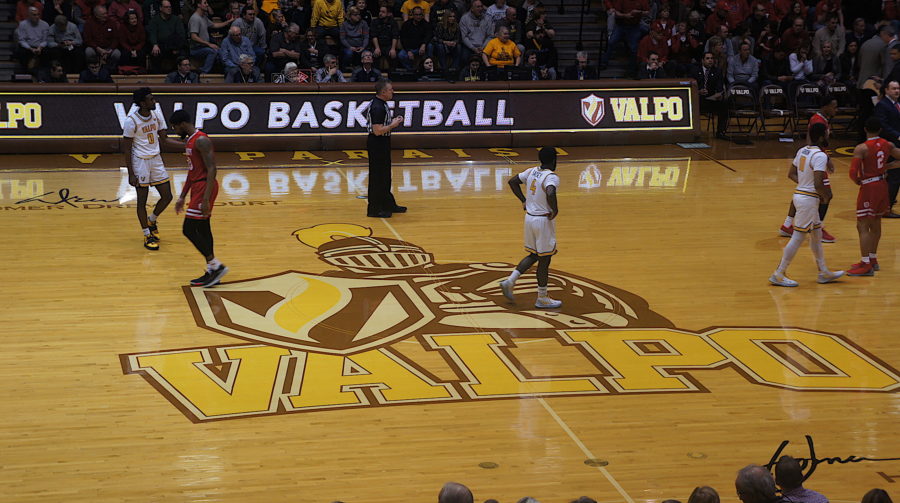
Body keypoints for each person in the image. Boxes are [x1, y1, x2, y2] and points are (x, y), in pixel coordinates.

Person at [769, 122, 844, 286]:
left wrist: (804, 184)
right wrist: (826, 195)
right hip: (808, 199)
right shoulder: (820, 156)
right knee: (797, 237)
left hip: (801, 195)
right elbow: (818, 183)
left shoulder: (802, 151)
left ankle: (823, 271)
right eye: (826, 133)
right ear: (820, 136)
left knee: (816, 235)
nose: (828, 135)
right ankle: (779, 273)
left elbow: (791, 174)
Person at [168, 110, 229, 287]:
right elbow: (191, 170)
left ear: (182, 124)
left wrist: (207, 198)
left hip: (205, 186)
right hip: (197, 185)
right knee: (203, 228)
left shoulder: (201, 140)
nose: (175, 131)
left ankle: (216, 265)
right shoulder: (190, 141)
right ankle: (212, 270)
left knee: (188, 228)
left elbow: (212, 169)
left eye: (175, 127)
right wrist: (182, 196)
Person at [499, 146, 563, 308]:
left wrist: (523, 200)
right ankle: (542, 297)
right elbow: (550, 192)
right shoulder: (551, 177)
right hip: (542, 221)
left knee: (533, 255)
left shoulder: (532, 171)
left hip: (529, 219)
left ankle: (509, 281)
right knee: (545, 259)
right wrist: (555, 209)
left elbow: (513, 181)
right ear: (554, 160)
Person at [123, 88, 177, 251]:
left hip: (156, 160)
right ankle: (147, 234)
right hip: (140, 162)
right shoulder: (131, 120)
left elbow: (165, 139)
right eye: (151, 99)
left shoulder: (156, 115)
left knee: (167, 196)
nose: (154, 101)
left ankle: (152, 220)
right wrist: (131, 173)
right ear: (142, 103)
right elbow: (127, 149)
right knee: (142, 201)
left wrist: (188, 145)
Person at [779, 96, 838, 242]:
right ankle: (818, 228)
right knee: (826, 195)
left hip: (808, 155)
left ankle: (787, 225)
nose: (836, 110)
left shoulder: (818, 118)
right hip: (815, 159)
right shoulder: (818, 121)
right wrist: (827, 159)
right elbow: (816, 142)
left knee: (803, 188)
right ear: (825, 106)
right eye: (834, 106)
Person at [846, 118, 900, 275]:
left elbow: (852, 172)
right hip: (883, 185)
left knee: (862, 225)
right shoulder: (888, 144)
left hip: (869, 187)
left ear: (865, 129)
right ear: (880, 130)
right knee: (876, 223)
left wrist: (858, 181)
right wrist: (887, 167)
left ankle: (865, 265)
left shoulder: (861, 148)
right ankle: (873, 259)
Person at [365, 79, 405, 218]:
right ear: (383, 92)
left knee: (385, 175)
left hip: (383, 141)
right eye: (390, 89)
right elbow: (377, 131)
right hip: (377, 142)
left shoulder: (381, 103)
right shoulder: (378, 107)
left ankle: (388, 203)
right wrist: (393, 125)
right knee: (378, 176)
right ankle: (374, 209)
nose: (392, 91)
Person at [874, 79, 900, 217]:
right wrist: (898, 136)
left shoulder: (897, 104)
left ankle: (886, 203)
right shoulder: (882, 105)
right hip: (889, 145)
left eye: (898, 88)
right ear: (887, 90)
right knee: (894, 175)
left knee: (893, 176)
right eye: (894, 88)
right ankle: (886, 208)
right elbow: (883, 125)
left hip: (896, 144)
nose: (897, 91)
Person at [189, 0, 234, 74]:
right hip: (196, 49)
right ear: (199, 5)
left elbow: (214, 25)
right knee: (213, 51)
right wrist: (209, 44)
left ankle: (228, 70)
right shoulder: (195, 18)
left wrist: (228, 22)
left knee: (221, 51)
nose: (207, 5)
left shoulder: (203, 17)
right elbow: (193, 36)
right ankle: (203, 72)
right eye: (205, 3)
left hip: (204, 47)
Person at [696, 51, 729, 139]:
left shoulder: (717, 71)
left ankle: (720, 132)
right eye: (707, 58)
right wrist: (698, 91)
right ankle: (694, 132)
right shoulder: (695, 70)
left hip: (711, 99)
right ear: (702, 60)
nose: (710, 60)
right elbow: (690, 85)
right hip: (697, 99)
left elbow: (720, 87)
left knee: (724, 104)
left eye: (712, 58)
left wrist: (718, 94)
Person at [147, 0, 186, 73]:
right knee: (155, 53)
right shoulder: (155, 20)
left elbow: (181, 35)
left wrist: (176, 47)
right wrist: (155, 44)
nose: (169, 9)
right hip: (161, 46)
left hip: (174, 45)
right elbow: (152, 34)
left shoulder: (176, 19)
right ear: (161, 8)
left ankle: (178, 76)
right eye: (166, 7)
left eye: (170, 7)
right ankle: (158, 76)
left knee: (182, 53)